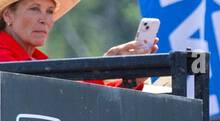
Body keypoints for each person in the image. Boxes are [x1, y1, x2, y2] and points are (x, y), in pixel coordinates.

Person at [0, 0, 158, 86]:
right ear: (8, 16)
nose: (45, 19)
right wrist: (102, 69)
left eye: (49, 11)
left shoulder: (39, 63)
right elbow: (54, 94)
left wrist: (130, 80)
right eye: (34, 8)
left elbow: (77, 97)